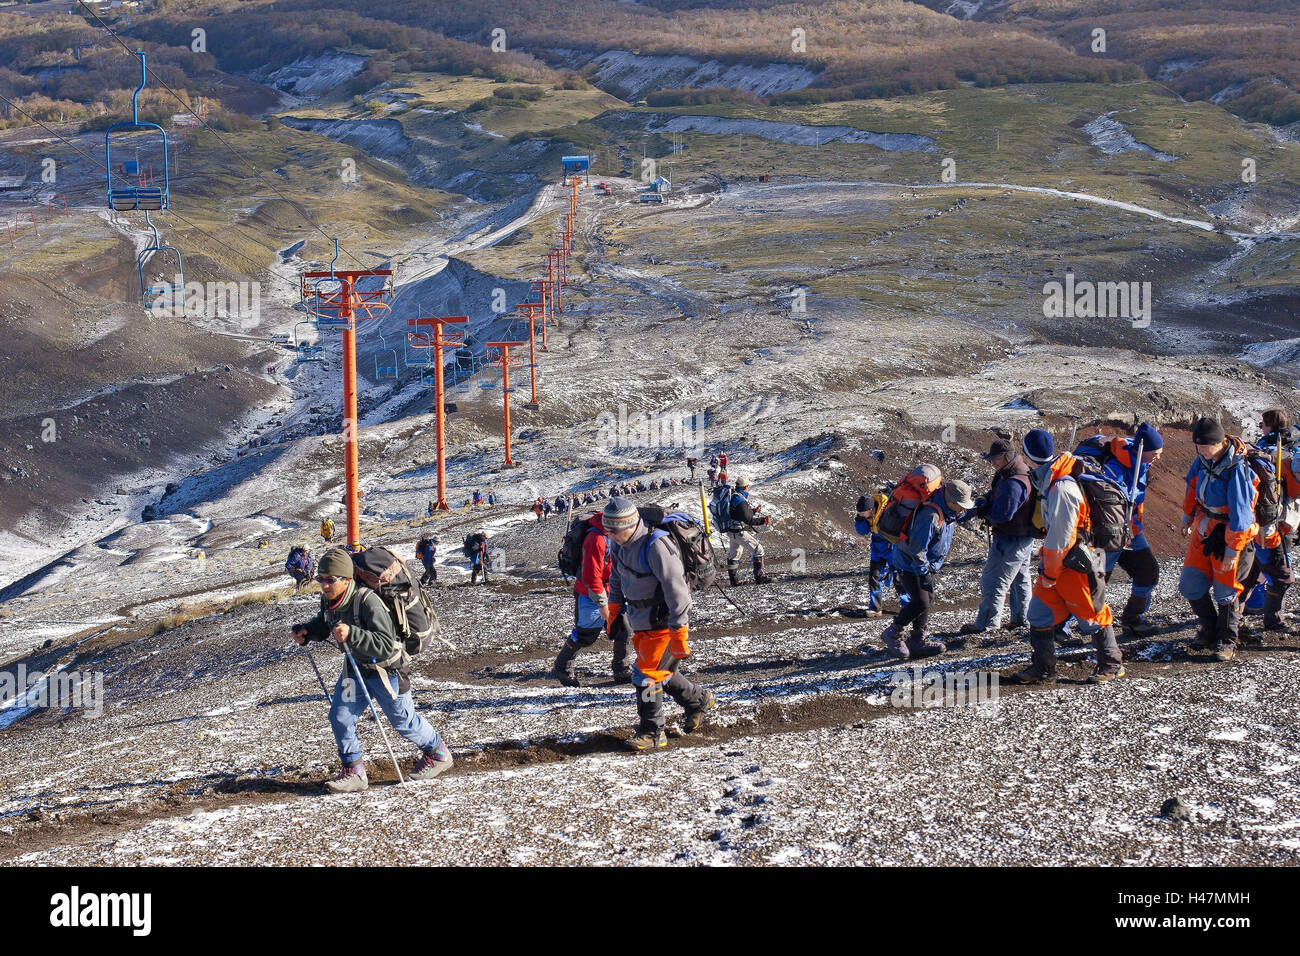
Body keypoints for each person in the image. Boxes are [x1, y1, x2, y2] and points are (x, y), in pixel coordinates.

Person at [291, 548, 452, 792]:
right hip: (355, 670)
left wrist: (352, 634)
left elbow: (386, 644)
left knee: (403, 721)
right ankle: (353, 771)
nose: (324, 585)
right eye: (320, 579)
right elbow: (326, 623)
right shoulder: (330, 599)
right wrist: (308, 631)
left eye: (329, 580)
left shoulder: (367, 601)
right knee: (340, 715)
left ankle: (438, 753)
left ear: (346, 579)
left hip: (388, 672)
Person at [1009, 430, 1123, 684]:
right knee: (1038, 613)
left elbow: (1062, 540)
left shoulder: (1061, 487)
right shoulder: (1053, 479)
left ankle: (1111, 663)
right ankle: (1044, 668)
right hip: (1062, 561)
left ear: (1028, 456)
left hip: (1075, 563)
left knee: (1091, 615)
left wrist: (1049, 574)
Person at [604, 498, 715, 751]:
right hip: (642, 622)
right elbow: (617, 577)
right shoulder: (620, 545)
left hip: (665, 624)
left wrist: (679, 631)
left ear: (629, 525)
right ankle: (698, 700)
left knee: (645, 675)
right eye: (607, 529)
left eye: (613, 530)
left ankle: (653, 731)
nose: (609, 535)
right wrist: (613, 609)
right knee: (662, 671)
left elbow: (678, 594)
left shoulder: (656, 546)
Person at [1179, 418, 1259, 661]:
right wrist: (1187, 517)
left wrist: (1232, 552)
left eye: (1205, 446)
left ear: (1220, 442)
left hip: (1229, 535)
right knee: (1190, 584)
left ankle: (1227, 639)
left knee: (1226, 590)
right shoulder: (1203, 460)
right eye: (1198, 446)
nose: (1201, 451)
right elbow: (1192, 487)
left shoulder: (1237, 469)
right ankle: (1209, 626)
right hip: (1205, 529)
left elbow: (1242, 517)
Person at [1080, 423, 1164, 637]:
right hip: (1106, 534)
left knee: (1148, 572)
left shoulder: (1140, 463)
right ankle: (1061, 626)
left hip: (1131, 531)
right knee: (1094, 581)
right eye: (1155, 454)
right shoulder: (1114, 468)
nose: (1158, 458)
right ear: (1142, 450)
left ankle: (1133, 618)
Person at [880, 479, 974, 659]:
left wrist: (981, 508)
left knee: (926, 598)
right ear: (952, 501)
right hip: (911, 564)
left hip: (923, 564)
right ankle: (893, 633)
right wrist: (924, 573)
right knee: (921, 602)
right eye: (962, 506)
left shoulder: (947, 509)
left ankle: (918, 639)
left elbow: (958, 516)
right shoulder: (930, 515)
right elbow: (916, 550)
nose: (963, 509)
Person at [960, 439, 1039, 637]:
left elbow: (1003, 514)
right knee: (1020, 579)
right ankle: (1021, 620)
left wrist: (983, 511)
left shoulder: (1013, 482)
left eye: (995, 459)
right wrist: (985, 499)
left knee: (994, 580)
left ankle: (987, 625)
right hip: (1022, 537)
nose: (992, 462)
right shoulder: (1016, 472)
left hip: (1010, 538)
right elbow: (998, 496)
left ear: (1004, 457)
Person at [551, 510, 635, 686]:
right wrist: (603, 604)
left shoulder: (614, 535)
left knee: (623, 629)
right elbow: (591, 576)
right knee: (585, 635)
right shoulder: (596, 539)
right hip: (589, 593)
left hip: (612, 590)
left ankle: (622, 669)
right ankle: (562, 668)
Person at [1244, 408, 1298, 636]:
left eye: (1262, 423)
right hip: (1287, 517)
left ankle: (1254, 608)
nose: (1260, 428)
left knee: (1256, 569)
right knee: (1277, 567)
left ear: (1270, 425)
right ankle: (1272, 614)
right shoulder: (1292, 448)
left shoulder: (1264, 449)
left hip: (1265, 519)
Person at [854, 488, 898, 618]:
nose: (860, 514)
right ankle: (875, 608)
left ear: (870, 509)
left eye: (862, 512)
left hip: (892, 548)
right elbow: (863, 532)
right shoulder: (866, 517)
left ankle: (909, 606)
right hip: (877, 550)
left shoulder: (886, 512)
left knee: (899, 578)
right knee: (873, 578)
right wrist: (860, 521)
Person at [722, 476, 772, 585]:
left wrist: (753, 511)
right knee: (758, 550)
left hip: (731, 531)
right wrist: (763, 520)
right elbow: (748, 519)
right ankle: (760, 577)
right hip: (738, 531)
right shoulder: (740, 500)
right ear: (746, 487)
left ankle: (734, 580)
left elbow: (741, 514)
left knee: (734, 554)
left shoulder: (733, 496)